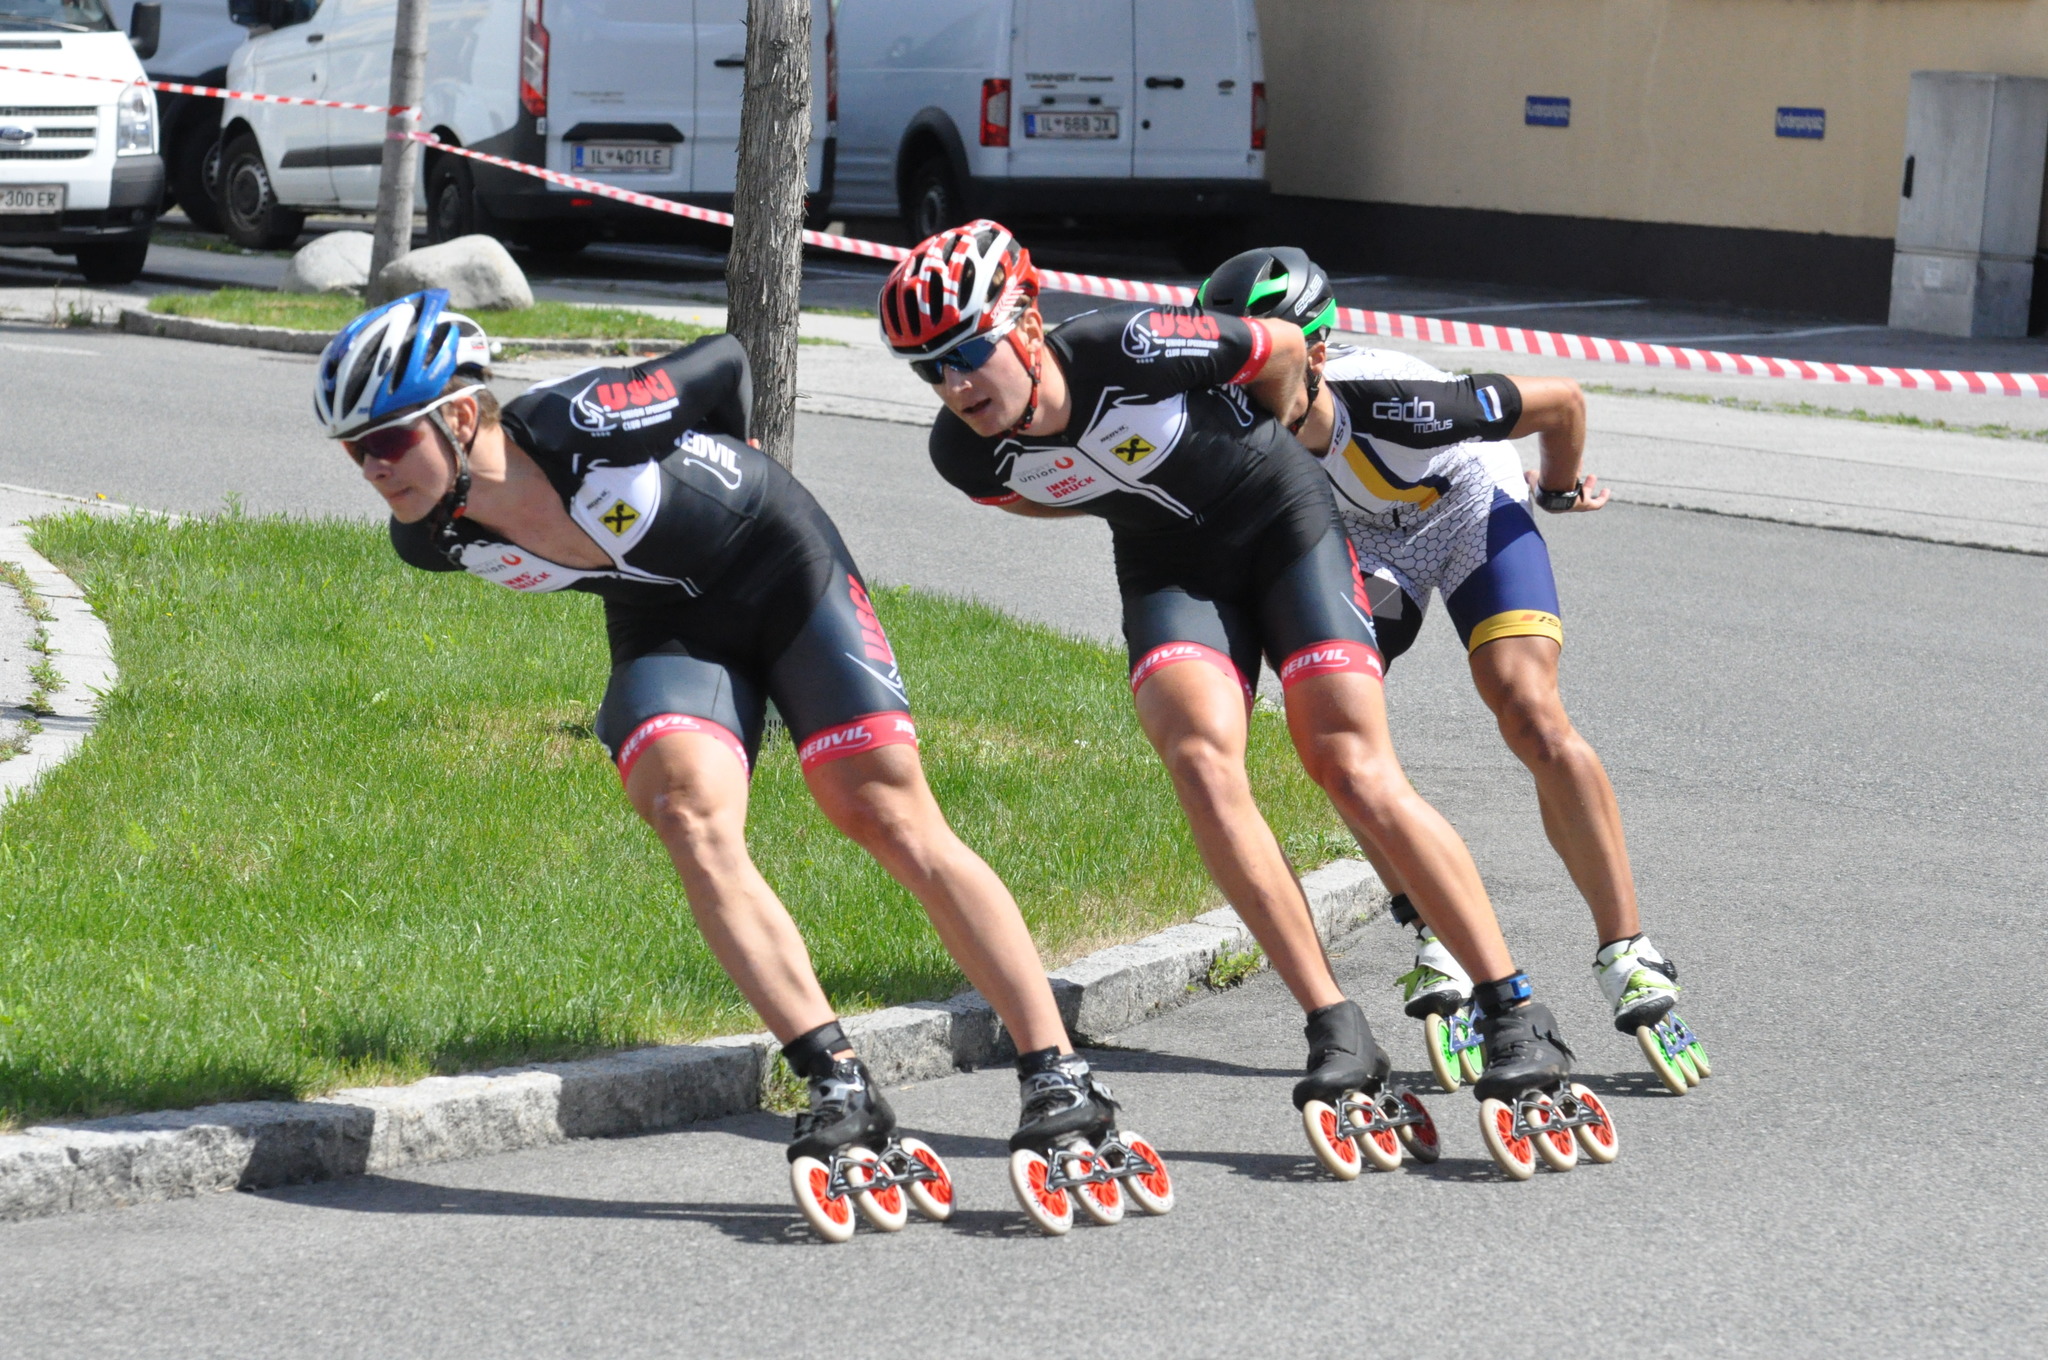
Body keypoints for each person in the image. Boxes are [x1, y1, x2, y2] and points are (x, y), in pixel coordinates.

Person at [314, 288, 1169, 1235]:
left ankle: (1059, 1075)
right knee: (686, 815)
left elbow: (725, 362)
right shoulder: (431, 539)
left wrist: (724, 460)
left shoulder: (583, 420)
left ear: (463, 415)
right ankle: (836, 1081)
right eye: (353, 451)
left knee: (884, 813)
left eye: (388, 439)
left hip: (783, 565)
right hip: (670, 624)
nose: (372, 467)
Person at [877, 221, 1586, 1148]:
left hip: (1285, 524)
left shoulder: (1130, 345)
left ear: (1027, 325)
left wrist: (1262, 433)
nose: (955, 384)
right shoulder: (964, 454)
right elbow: (1045, 495)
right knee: (1201, 764)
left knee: (1348, 763)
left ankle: (1512, 1007)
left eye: (969, 352)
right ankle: (1334, 1023)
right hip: (1172, 568)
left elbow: (1282, 346)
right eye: (928, 369)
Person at [1201, 247, 1704, 1091]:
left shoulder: (1400, 400)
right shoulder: (1222, 415)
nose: (1241, 389)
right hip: (1367, 542)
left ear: (1315, 354)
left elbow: (1563, 401)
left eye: (1262, 368)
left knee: (1527, 707)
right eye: (1230, 365)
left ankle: (1628, 949)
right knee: (1331, 734)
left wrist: (1558, 489)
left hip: (1470, 503)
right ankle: (1433, 925)